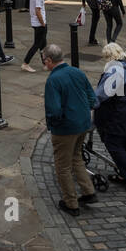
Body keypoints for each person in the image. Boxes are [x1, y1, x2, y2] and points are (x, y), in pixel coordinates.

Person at [41, 43, 99, 215]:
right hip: (83, 124)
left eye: (44, 60)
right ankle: (89, 192)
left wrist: (54, 124)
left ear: (50, 60)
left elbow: (54, 110)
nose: (44, 63)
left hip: (65, 129)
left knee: (63, 166)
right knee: (76, 158)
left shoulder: (53, 80)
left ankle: (71, 203)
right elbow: (92, 98)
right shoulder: (77, 72)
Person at [94, 43, 126, 187]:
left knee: (113, 144)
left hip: (119, 115)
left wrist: (89, 103)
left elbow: (101, 94)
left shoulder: (113, 72)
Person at [22, 0, 50, 73]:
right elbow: (38, 11)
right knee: (37, 45)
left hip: (36, 23)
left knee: (43, 45)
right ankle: (25, 63)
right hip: (39, 24)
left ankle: (46, 64)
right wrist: (43, 23)